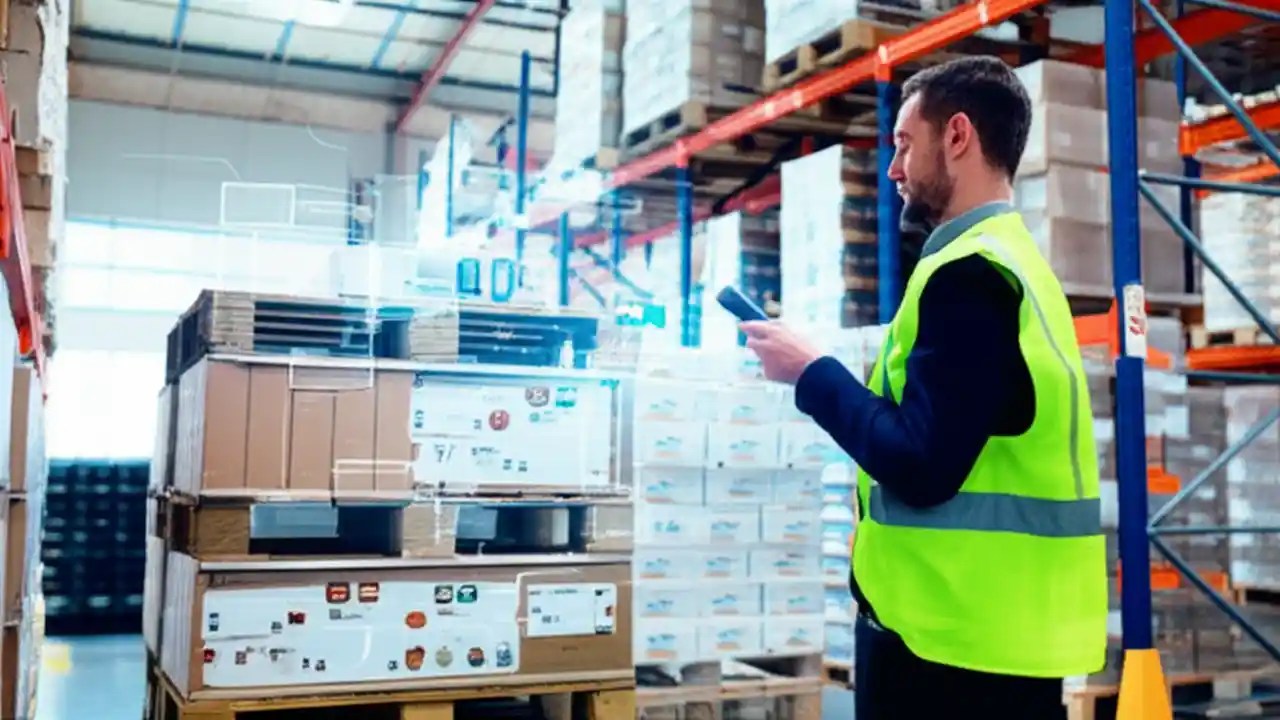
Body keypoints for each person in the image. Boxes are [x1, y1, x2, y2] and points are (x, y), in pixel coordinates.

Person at [741, 56, 1106, 719]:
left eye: (905, 144)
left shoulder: (968, 277)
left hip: (949, 651)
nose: (894, 169)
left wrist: (811, 372)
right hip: (997, 639)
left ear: (957, 135)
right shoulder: (1017, 263)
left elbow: (922, 463)